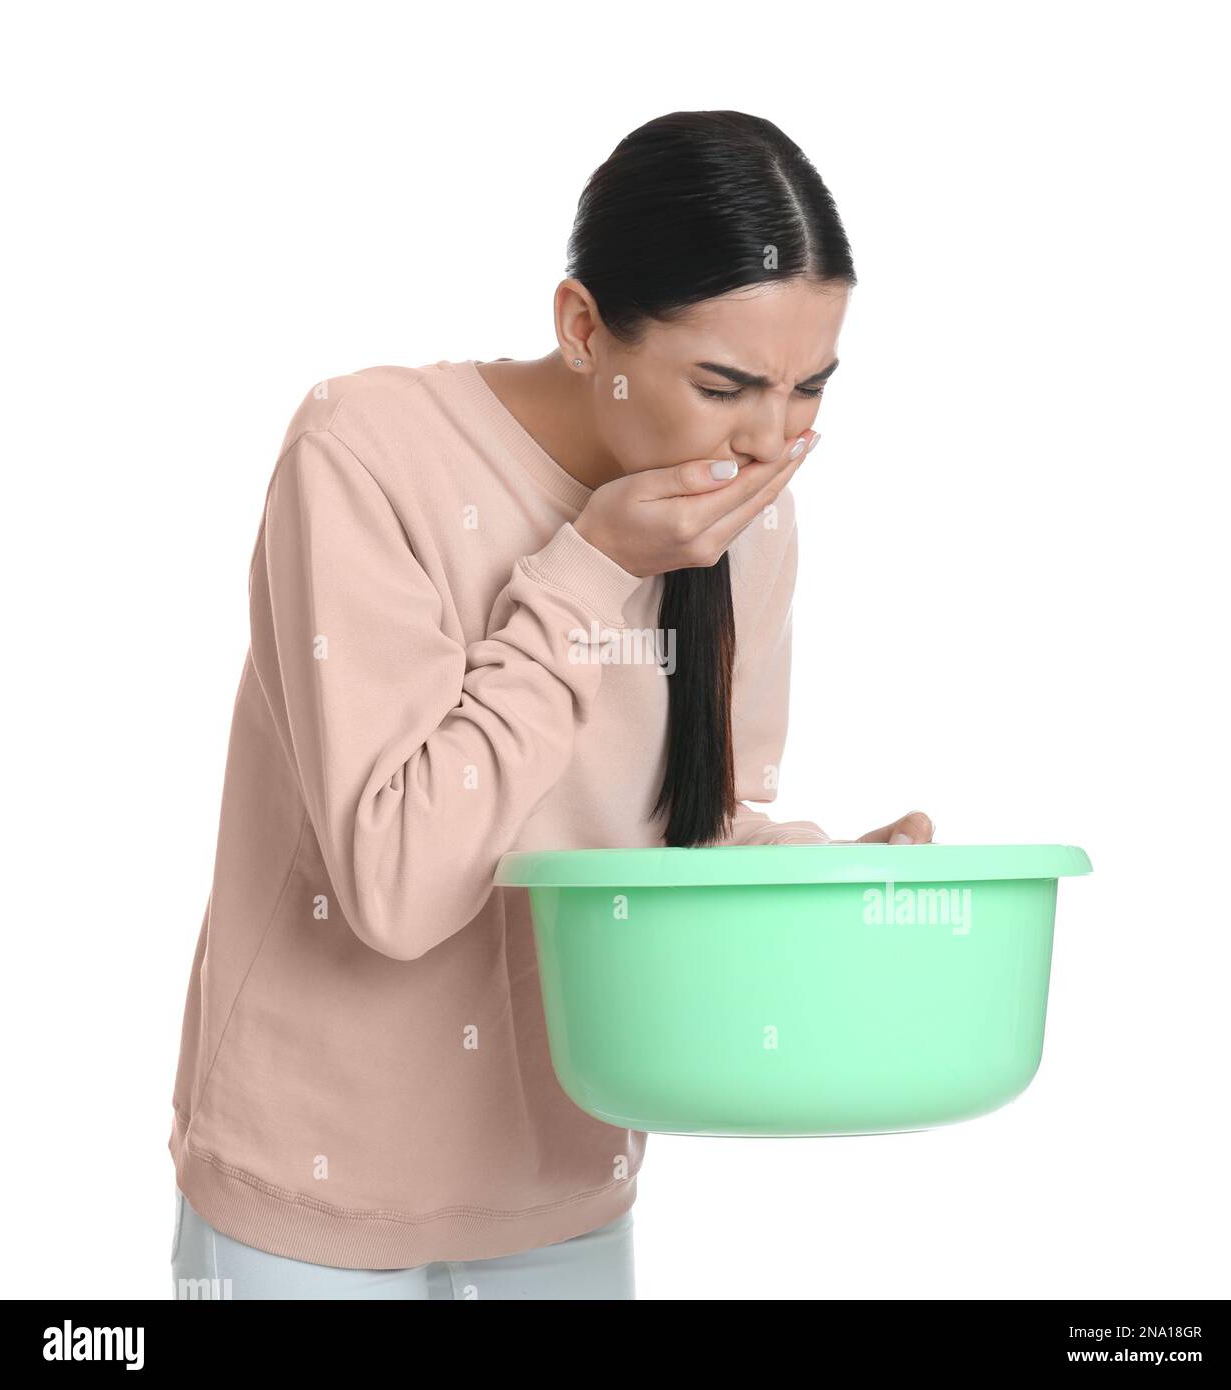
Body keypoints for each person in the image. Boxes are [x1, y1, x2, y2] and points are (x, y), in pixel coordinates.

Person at [168, 108, 934, 1301]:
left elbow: (672, 830)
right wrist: (591, 565)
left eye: (807, 389)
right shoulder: (364, 451)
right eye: (725, 384)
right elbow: (400, 881)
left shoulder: (752, 519)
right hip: (307, 1202)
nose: (770, 442)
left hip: (565, 1180)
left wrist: (819, 883)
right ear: (583, 328)